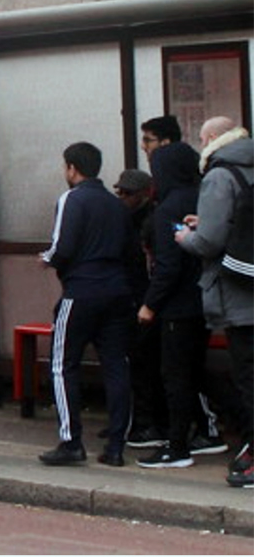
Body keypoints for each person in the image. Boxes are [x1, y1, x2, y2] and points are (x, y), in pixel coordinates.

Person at [39, 142, 135, 467]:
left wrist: (46, 259)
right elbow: (131, 253)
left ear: (71, 168)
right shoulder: (116, 205)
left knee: (62, 365)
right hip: (118, 292)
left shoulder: (71, 199)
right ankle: (117, 446)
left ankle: (71, 441)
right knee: (116, 366)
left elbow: (61, 247)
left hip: (81, 292)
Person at [176, 116, 254, 488]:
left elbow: (208, 242)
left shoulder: (220, 175)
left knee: (249, 379)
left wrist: (186, 237)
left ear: (210, 139)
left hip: (242, 295)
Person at [136, 141, 212, 468]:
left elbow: (168, 266)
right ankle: (211, 433)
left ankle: (177, 446)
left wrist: (150, 304)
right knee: (196, 372)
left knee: (175, 376)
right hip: (204, 299)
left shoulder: (167, 208)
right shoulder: (201, 198)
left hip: (177, 306)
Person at [112, 167, 167, 448]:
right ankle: (139, 421)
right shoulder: (129, 219)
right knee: (138, 363)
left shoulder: (147, 222)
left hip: (146, 301)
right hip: (135, 298)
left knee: (145, 364)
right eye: (119, 191)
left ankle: (148, 423)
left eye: (128, 193)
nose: (122, 197)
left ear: (144, 194)